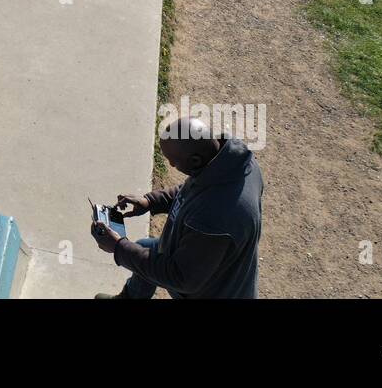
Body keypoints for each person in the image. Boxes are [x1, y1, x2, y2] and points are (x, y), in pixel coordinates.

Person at [91, 116, 264, 299]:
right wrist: (151, 202)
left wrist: (118, 247)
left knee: (143, 258)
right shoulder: (228, 164)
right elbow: (193, 189)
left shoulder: (215, 218)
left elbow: (180, 277)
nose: (172, 165)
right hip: (202, 262)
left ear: (195, 160)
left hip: (209, 290)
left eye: (173, 161)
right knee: (144, 247)